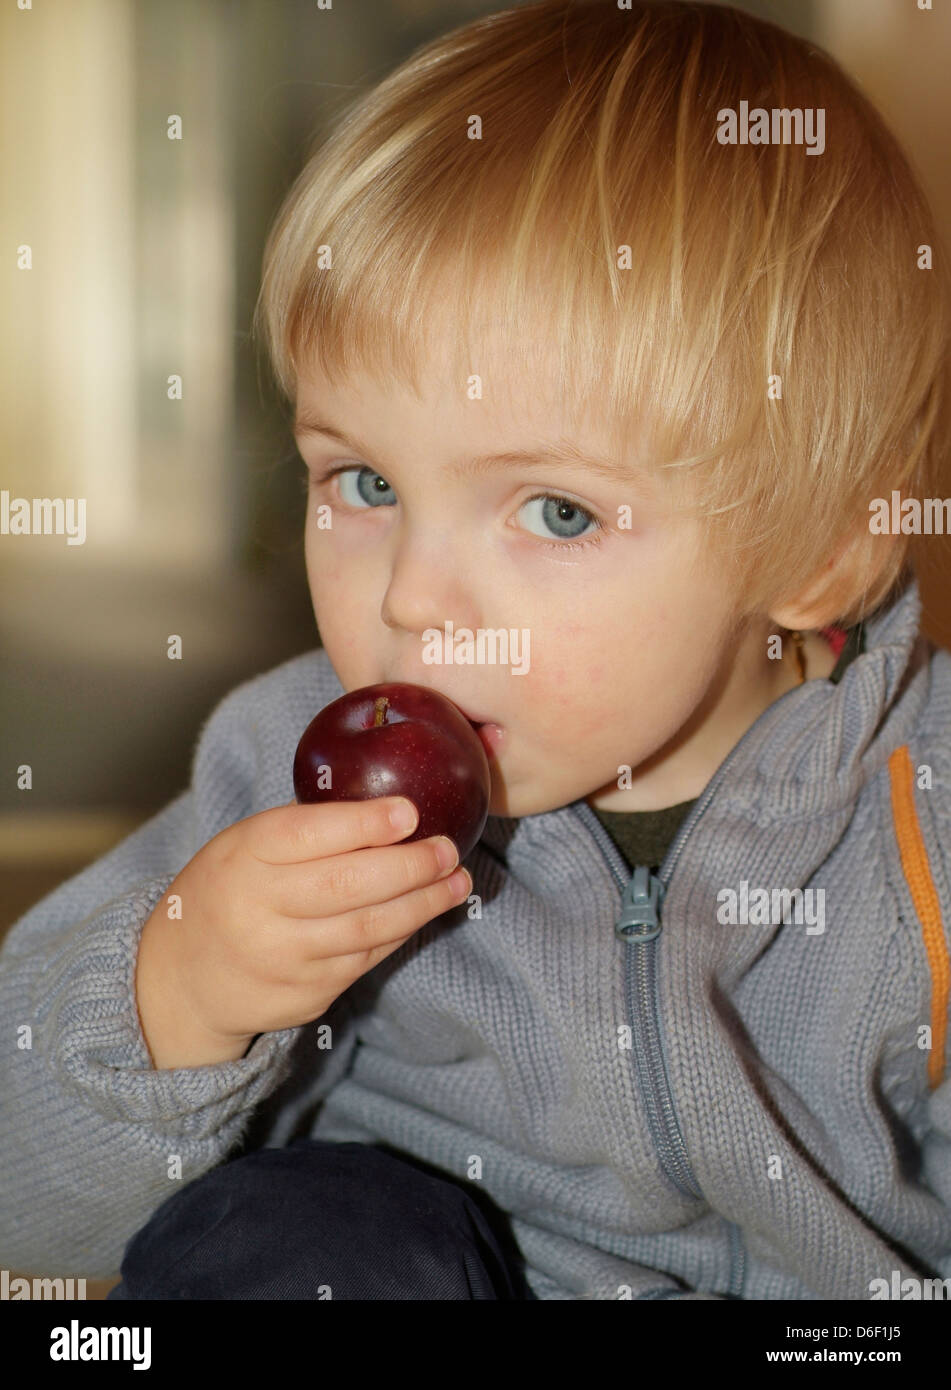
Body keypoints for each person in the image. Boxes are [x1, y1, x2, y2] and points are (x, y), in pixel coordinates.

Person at [2, 0, 951, 1301]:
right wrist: (177, 990)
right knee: (301, 1240)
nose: (411, 600)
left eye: (555, 511)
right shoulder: (292, 772)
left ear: (827, 552)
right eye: (365, 482)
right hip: (406, 1265)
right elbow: (22, 1199)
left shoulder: (929, 804)